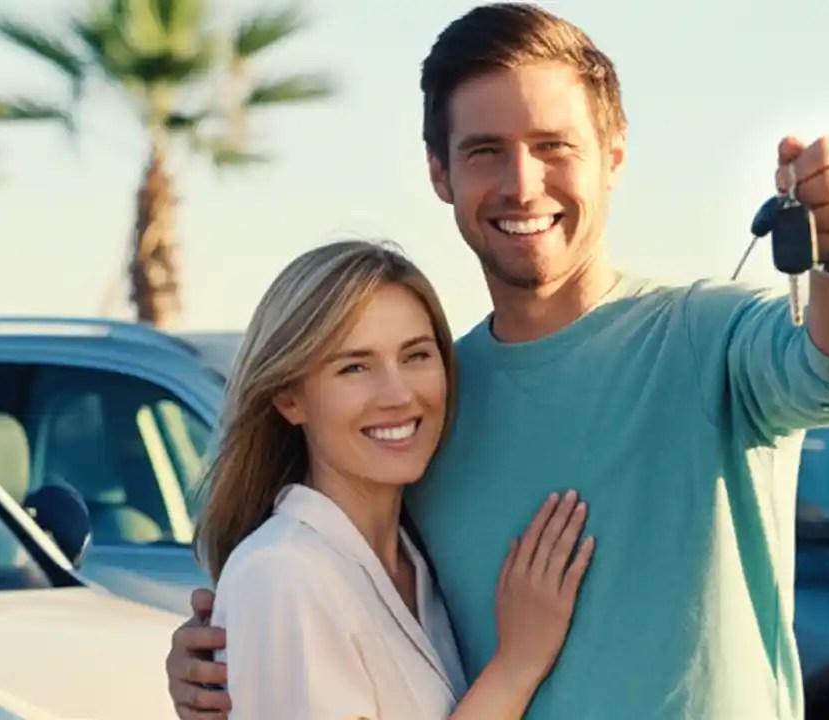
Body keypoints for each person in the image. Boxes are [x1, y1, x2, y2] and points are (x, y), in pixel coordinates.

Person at [167, 3, 829, 719]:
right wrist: (235, 658)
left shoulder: (706, 338)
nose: (523, 184)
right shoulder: (431, 406)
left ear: (613, 156)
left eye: (554, 146)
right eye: (485, 151)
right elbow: (334, 614)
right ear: (440, 173)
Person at [189, 239, 596, 719]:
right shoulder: (283, 576)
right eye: (355, 367)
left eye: (416, 356)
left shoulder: (414, 563)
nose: (398, 394)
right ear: (289, 399)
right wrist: (516, 666)